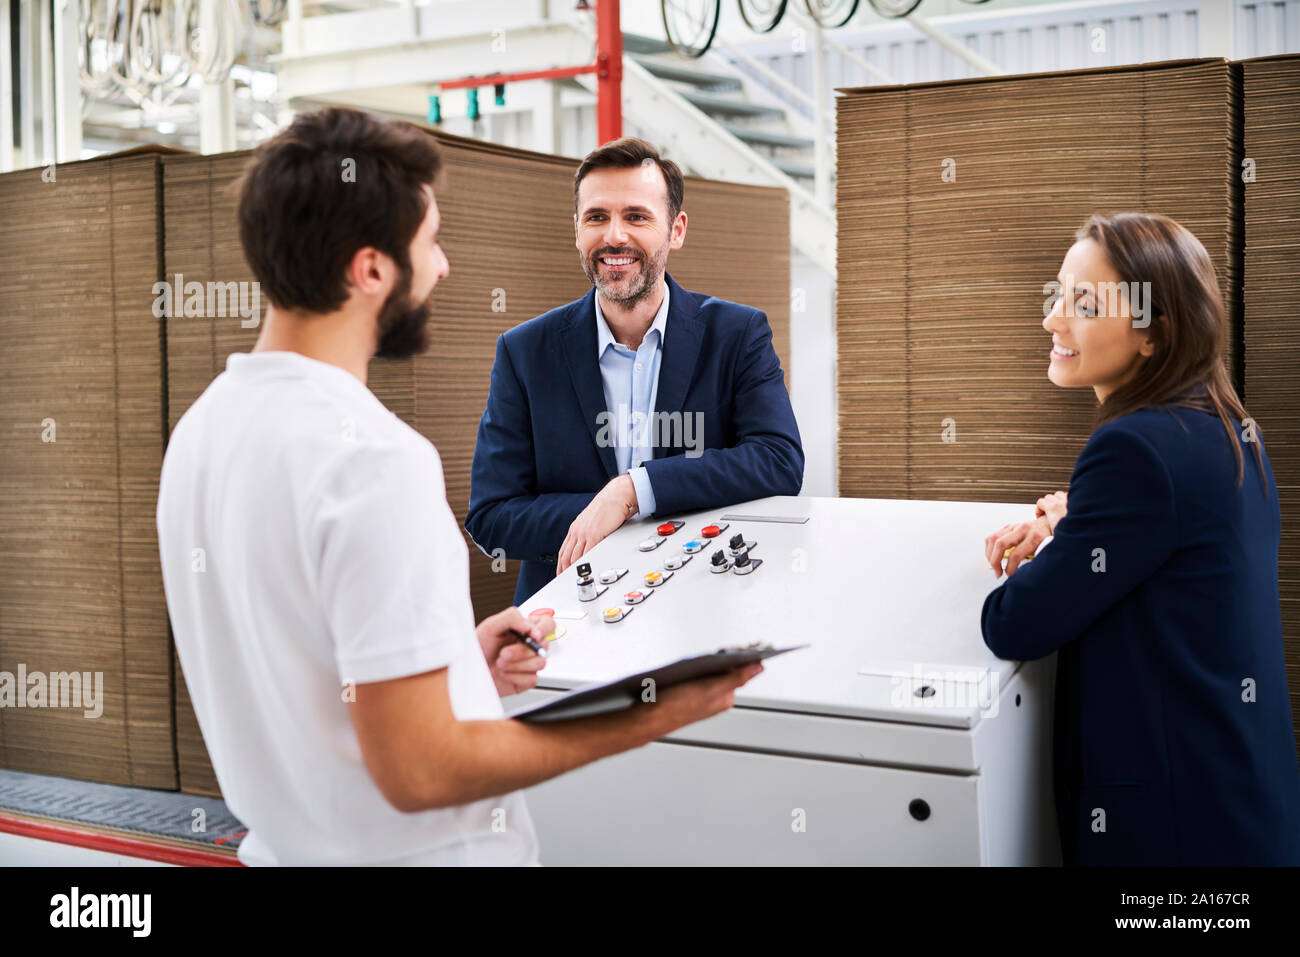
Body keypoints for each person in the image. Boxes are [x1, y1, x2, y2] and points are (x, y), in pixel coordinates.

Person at [155, 108, 762, 867]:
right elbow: (421, 770)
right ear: (372, 269)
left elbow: (304, 669)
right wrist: (647, 712)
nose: (442, 267)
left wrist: (452, 657)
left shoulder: (202, 433)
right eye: (430, 243)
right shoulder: (375, 460)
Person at [981, 212, 1300, 866]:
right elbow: (1168, 553)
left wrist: (1051, 544)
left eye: (1085, 303)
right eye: (1058, 295)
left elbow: (1013, 623)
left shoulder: (1134, 449)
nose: (1053, 320)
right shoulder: (1232, 430)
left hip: (1172, 836)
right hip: (1243, 809)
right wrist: (1077, 521)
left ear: (1154, 335)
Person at [465, 138, 804, 605]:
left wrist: (633, 491)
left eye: (637, 216)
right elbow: (492, 515)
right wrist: (603, 511)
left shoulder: (737, 333)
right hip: (569, 615)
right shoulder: (525, 351)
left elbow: (778, 460)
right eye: (597, 217)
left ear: (676, 229)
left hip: (702, 604)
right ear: (577, 230)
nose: (615, 236)